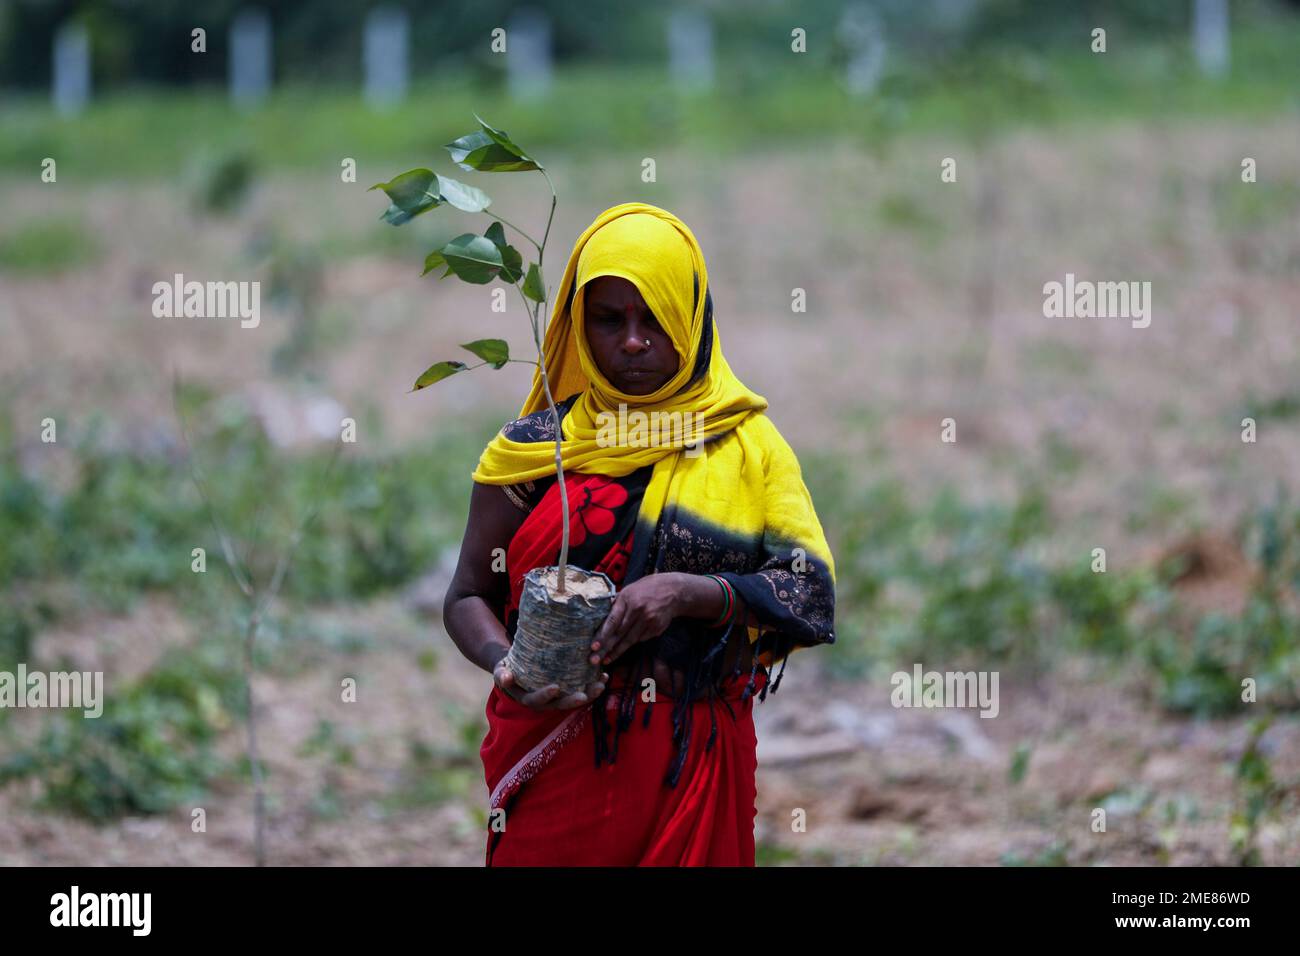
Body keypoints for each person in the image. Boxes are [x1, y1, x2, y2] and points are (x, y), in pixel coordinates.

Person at [441, 201, 836, 866]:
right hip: (560, 749)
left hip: (692, 759)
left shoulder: (747, 444)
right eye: (609, 319)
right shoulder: (538, 450)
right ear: (576, 325)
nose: (631, 340)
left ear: (690, 318)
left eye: (654, 317)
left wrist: (688, 592)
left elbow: (810, 595)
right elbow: (466, 595)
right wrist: (504, 664)